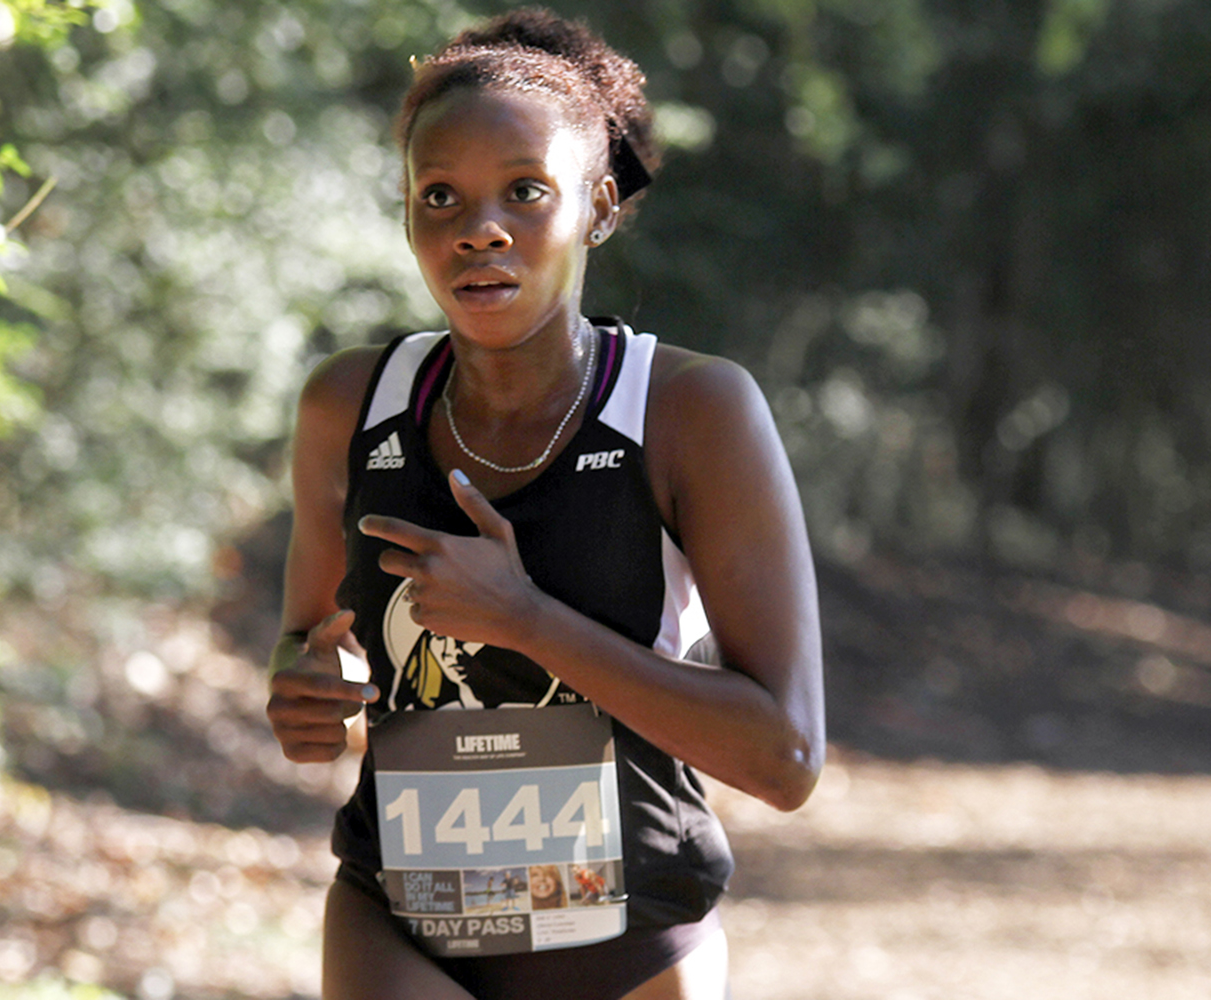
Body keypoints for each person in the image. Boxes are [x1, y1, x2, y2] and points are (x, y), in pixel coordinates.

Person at [263, 9, 826, 999]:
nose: (479, 227)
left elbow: (783, 756)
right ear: (405, 218)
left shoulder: (691, 411)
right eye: (438, 196)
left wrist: (526, 620)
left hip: (630, 947)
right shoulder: (347, 406)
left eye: (525, 191)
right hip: (400, 924)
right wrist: (314, 693)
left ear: (599, 204)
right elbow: (320, 649)